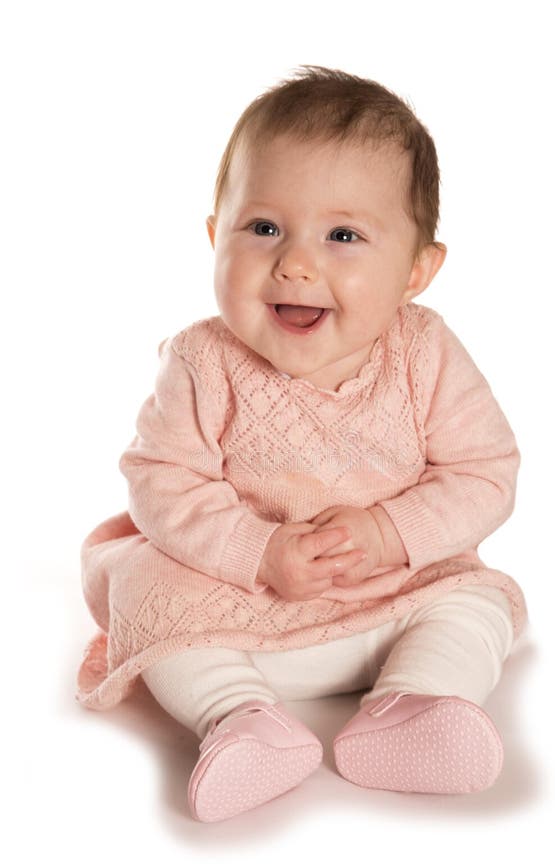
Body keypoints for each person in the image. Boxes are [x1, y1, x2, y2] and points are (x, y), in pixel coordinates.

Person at [76, 64, 527, 823]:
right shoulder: (200, 360)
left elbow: (484, 473)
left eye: (342, 235)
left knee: (476, 601)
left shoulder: (425, 352)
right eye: (262, 228)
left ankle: (415, 702)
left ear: (417, 269)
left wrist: (389, 535)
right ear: (217, 236)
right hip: (239, 602)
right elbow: (163, 482)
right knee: (143, 581)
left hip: (390, 594)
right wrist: (258, 552)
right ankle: (241, 718)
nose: (295, 262)